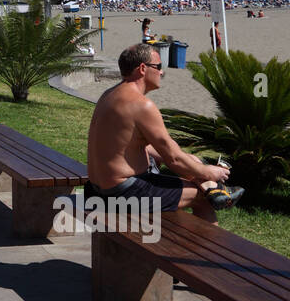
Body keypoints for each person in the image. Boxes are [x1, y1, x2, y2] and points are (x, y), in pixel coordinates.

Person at [85, 43, 242, 220]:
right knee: (204, 198)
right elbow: (173, 159)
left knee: (193, 169)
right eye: (158, 67)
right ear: (143, 68)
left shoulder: (109, 95)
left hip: (96, 190)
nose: (161, 72)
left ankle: (211, 187)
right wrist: (209, 173)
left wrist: (197, 168)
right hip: (121, 194)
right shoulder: (141, 105)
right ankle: (209, 247)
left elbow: (132, 145)